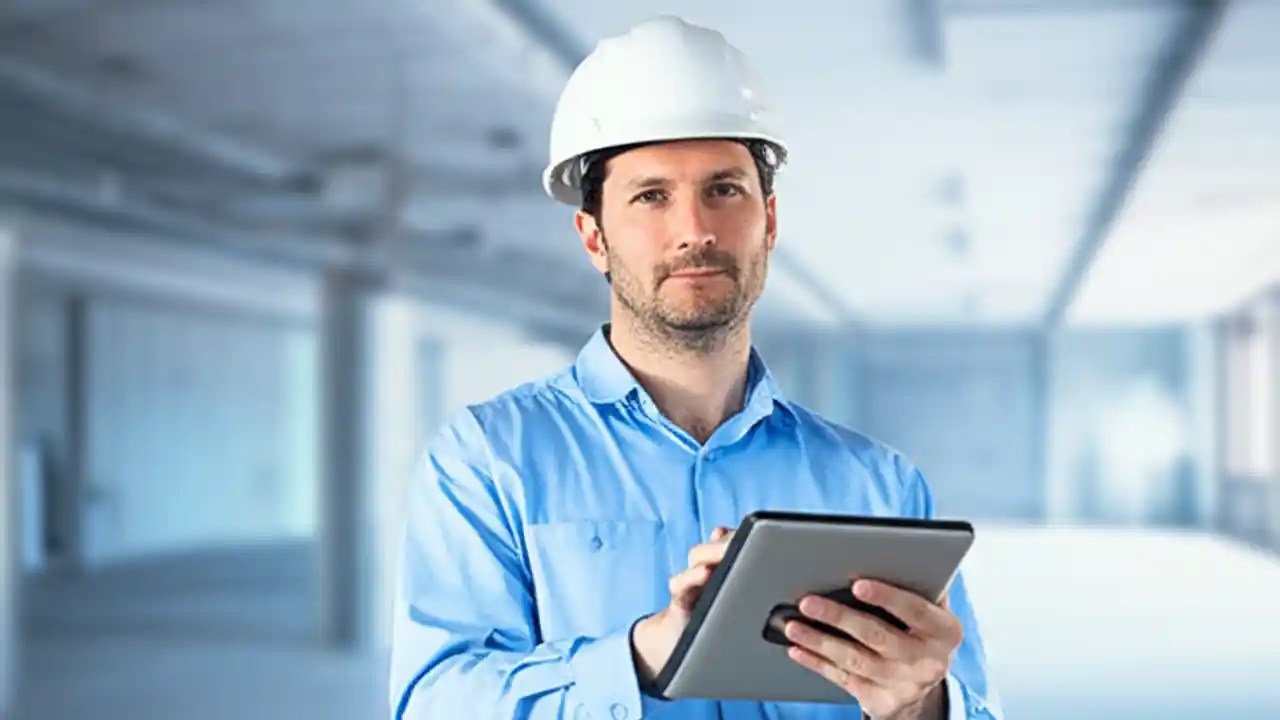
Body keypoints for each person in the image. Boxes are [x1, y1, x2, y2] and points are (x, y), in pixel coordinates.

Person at [389, 15, 1002, 720]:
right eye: (651, 196)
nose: (695, 230)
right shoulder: (488, 460)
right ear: (594, 236)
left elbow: (975, 707)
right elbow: (432, 704)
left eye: (724, 189)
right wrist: (646, 653)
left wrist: (918, 705)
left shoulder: (879, 485)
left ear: (769, 221)